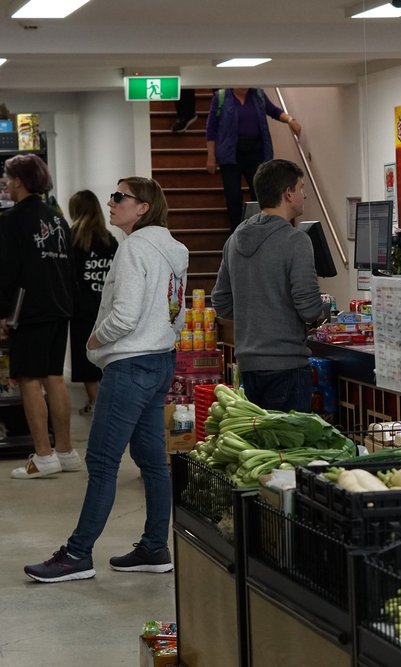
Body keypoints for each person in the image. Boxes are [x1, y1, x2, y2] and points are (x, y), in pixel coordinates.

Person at [24, 177, 188, 583]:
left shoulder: (133, 248)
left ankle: (78, 554)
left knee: (101, 460)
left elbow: (127, 313)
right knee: (152, 461)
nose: (111, 203)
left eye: (120, 197)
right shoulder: (174, 248)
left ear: (143, 207)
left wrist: (94, 339)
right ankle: (154, 546)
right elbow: (174, 308)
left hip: (130, 365)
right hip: (160, 360)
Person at [212, 159, 324, 412]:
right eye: (301, 187)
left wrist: (255, 317)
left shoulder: (235, 239)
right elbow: (309, 309)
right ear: (287, 193)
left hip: (248, 364)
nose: (304, 194)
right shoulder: (296, 241)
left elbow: (221, 301)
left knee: (262, 441)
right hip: (287, 364)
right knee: (288, 449)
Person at [0, 154, 81, 479]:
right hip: (59, 307)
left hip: (27, 310)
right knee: (54, 377)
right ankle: (66, 450)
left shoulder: (13, 220)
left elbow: (7, 272)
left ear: (19, 180)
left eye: (7, 177)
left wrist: (3, 314)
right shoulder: (57, 218)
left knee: (30, 381)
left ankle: (44, 456)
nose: (5, 182)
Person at [205, 88, 302, 232]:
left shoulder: (258, 95)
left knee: (260, 194)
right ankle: (237, 232)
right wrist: (211, 156)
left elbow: (274, 111)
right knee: (233, 196)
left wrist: (290, 120)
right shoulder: (222, 97)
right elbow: (211, 128)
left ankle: (261, 229)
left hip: (255, 153)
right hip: (231, 154)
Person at [68, 190, 118, 415]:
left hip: (81, 310)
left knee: (85, 358)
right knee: (107, 357)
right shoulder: (110, 240)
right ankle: (106, 402)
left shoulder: (73, 238)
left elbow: (68, 276)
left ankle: (95, 401)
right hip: (107, 310)